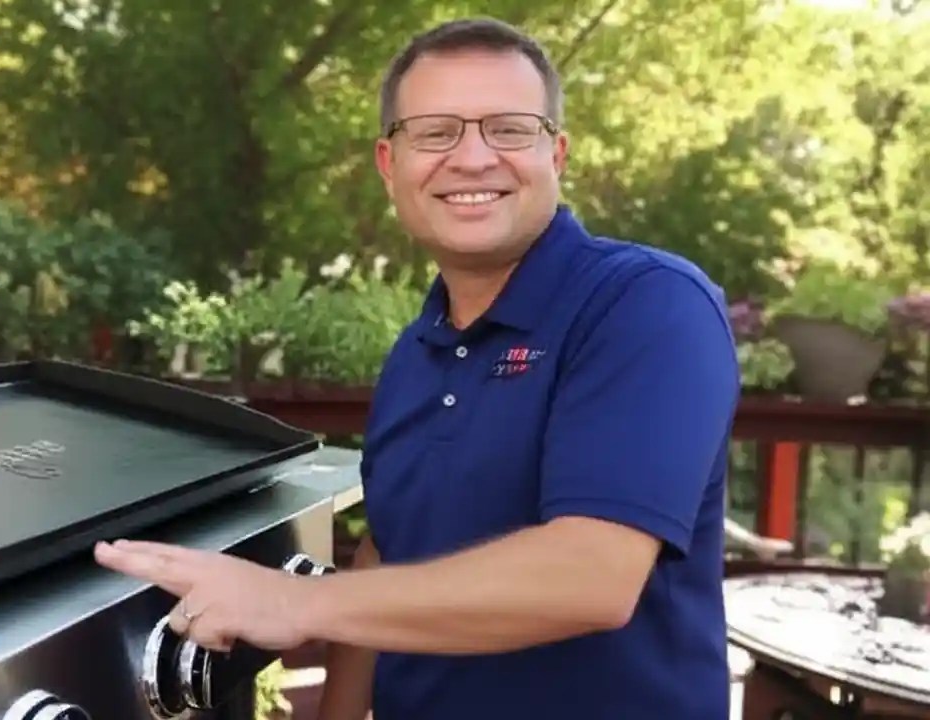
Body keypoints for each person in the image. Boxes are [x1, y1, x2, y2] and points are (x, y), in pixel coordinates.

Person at [95, 16, 739, 719]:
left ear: (556, 155)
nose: (472, 158)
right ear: (388, 164)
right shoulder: (417, 351)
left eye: (509, 129)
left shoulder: (645, 303)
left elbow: (590, 577)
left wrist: (297, 601)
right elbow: (387, 549)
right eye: (436, 132)